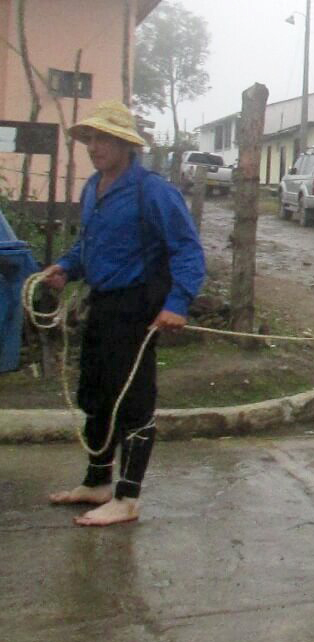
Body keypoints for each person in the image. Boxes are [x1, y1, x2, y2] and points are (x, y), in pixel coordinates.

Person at [42, 100, 205, 526]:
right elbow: (89, 244)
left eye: (104, 139)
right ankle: (98, 481)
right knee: (96, 396)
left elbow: (187, 249)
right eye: (90, 138)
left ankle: (128, 498)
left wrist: (176, 304)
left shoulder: (152, 191)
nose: (94, 146)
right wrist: (65, 267)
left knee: (133, 402)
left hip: (137, 307)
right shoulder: (93, 187)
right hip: (103, 305)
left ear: (125, 144)